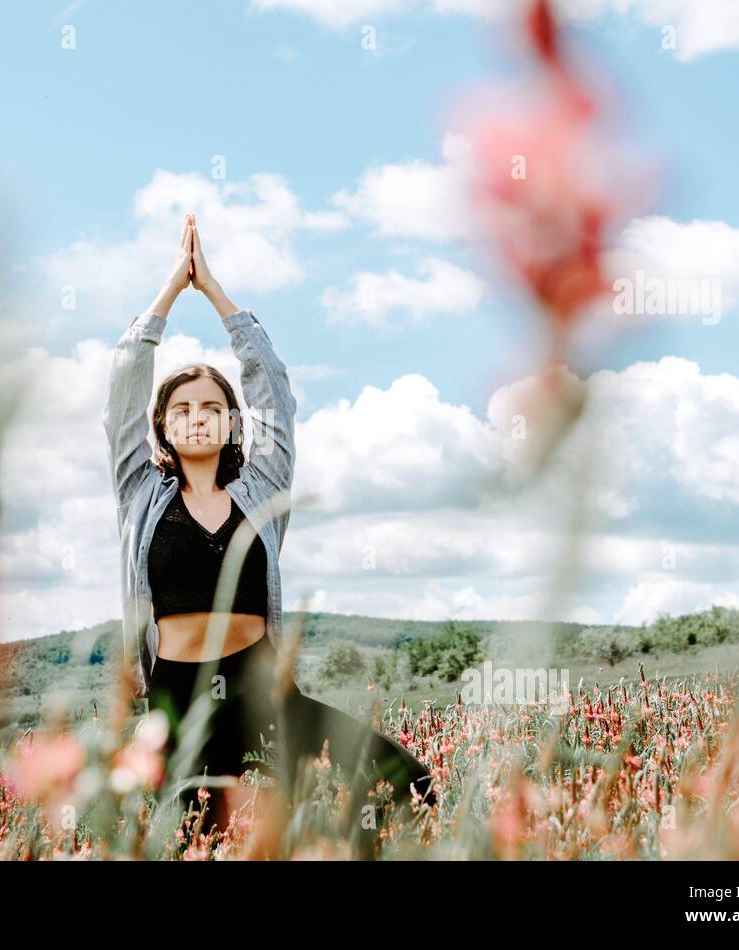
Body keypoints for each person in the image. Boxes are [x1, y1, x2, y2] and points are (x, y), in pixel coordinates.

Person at [102, 214, 437, 858]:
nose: (197, 418)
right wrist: (172, 289)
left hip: (262, 688)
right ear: (163, 429)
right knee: (195, 843)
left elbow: (273, 394)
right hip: (177, 701)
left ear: (231, 423)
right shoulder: (140, 495)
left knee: (409, 783)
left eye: (211, 408)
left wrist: (219, 296)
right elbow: (123, 387)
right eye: (181, 409)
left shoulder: (262, 493)